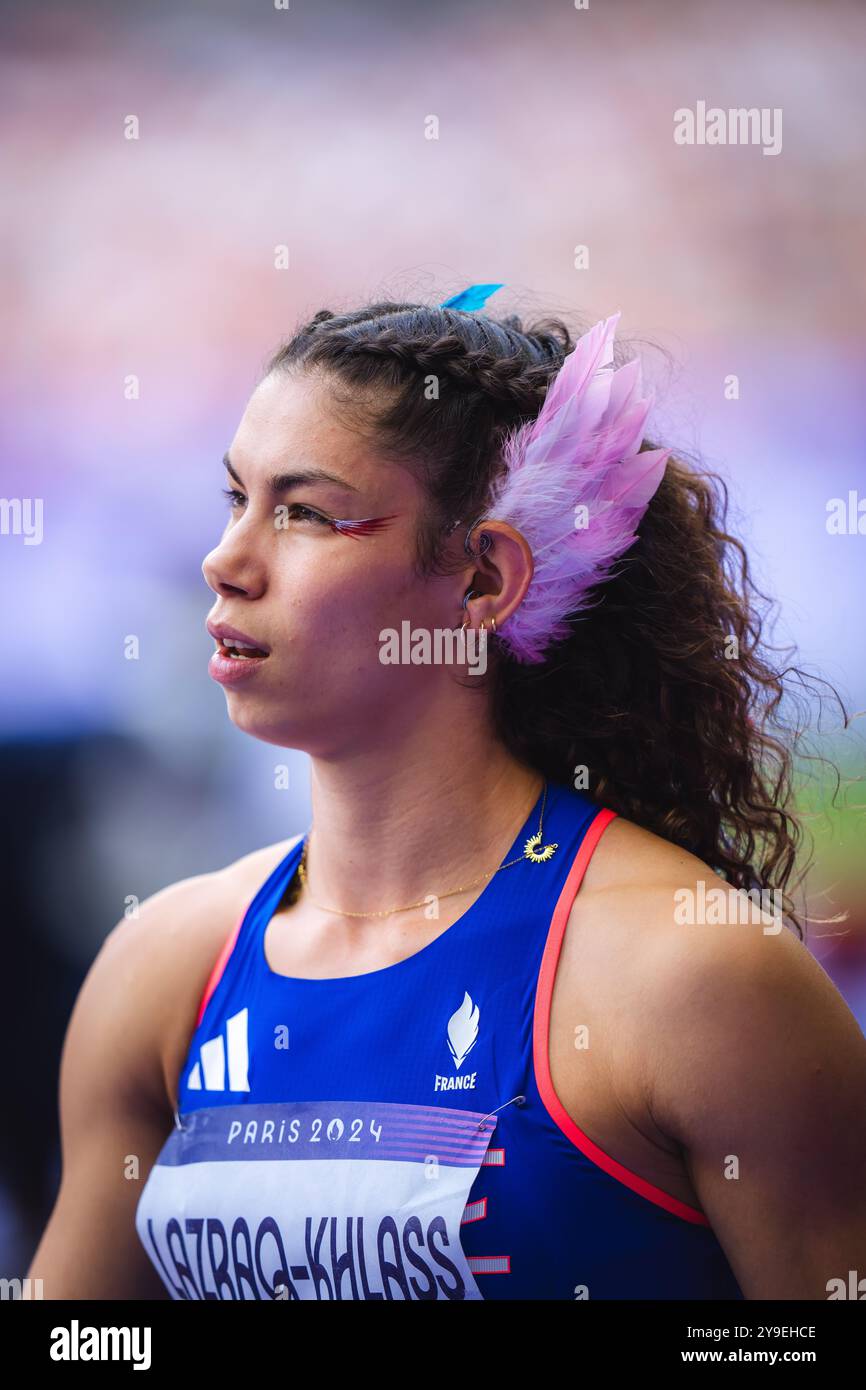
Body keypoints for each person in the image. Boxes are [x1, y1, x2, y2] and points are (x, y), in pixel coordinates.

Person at [27, 289, 866, 1300]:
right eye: (235, 500)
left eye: (304, 513)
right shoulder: (164, 967)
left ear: (480, 580)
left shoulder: (694, 976)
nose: (225, 560)